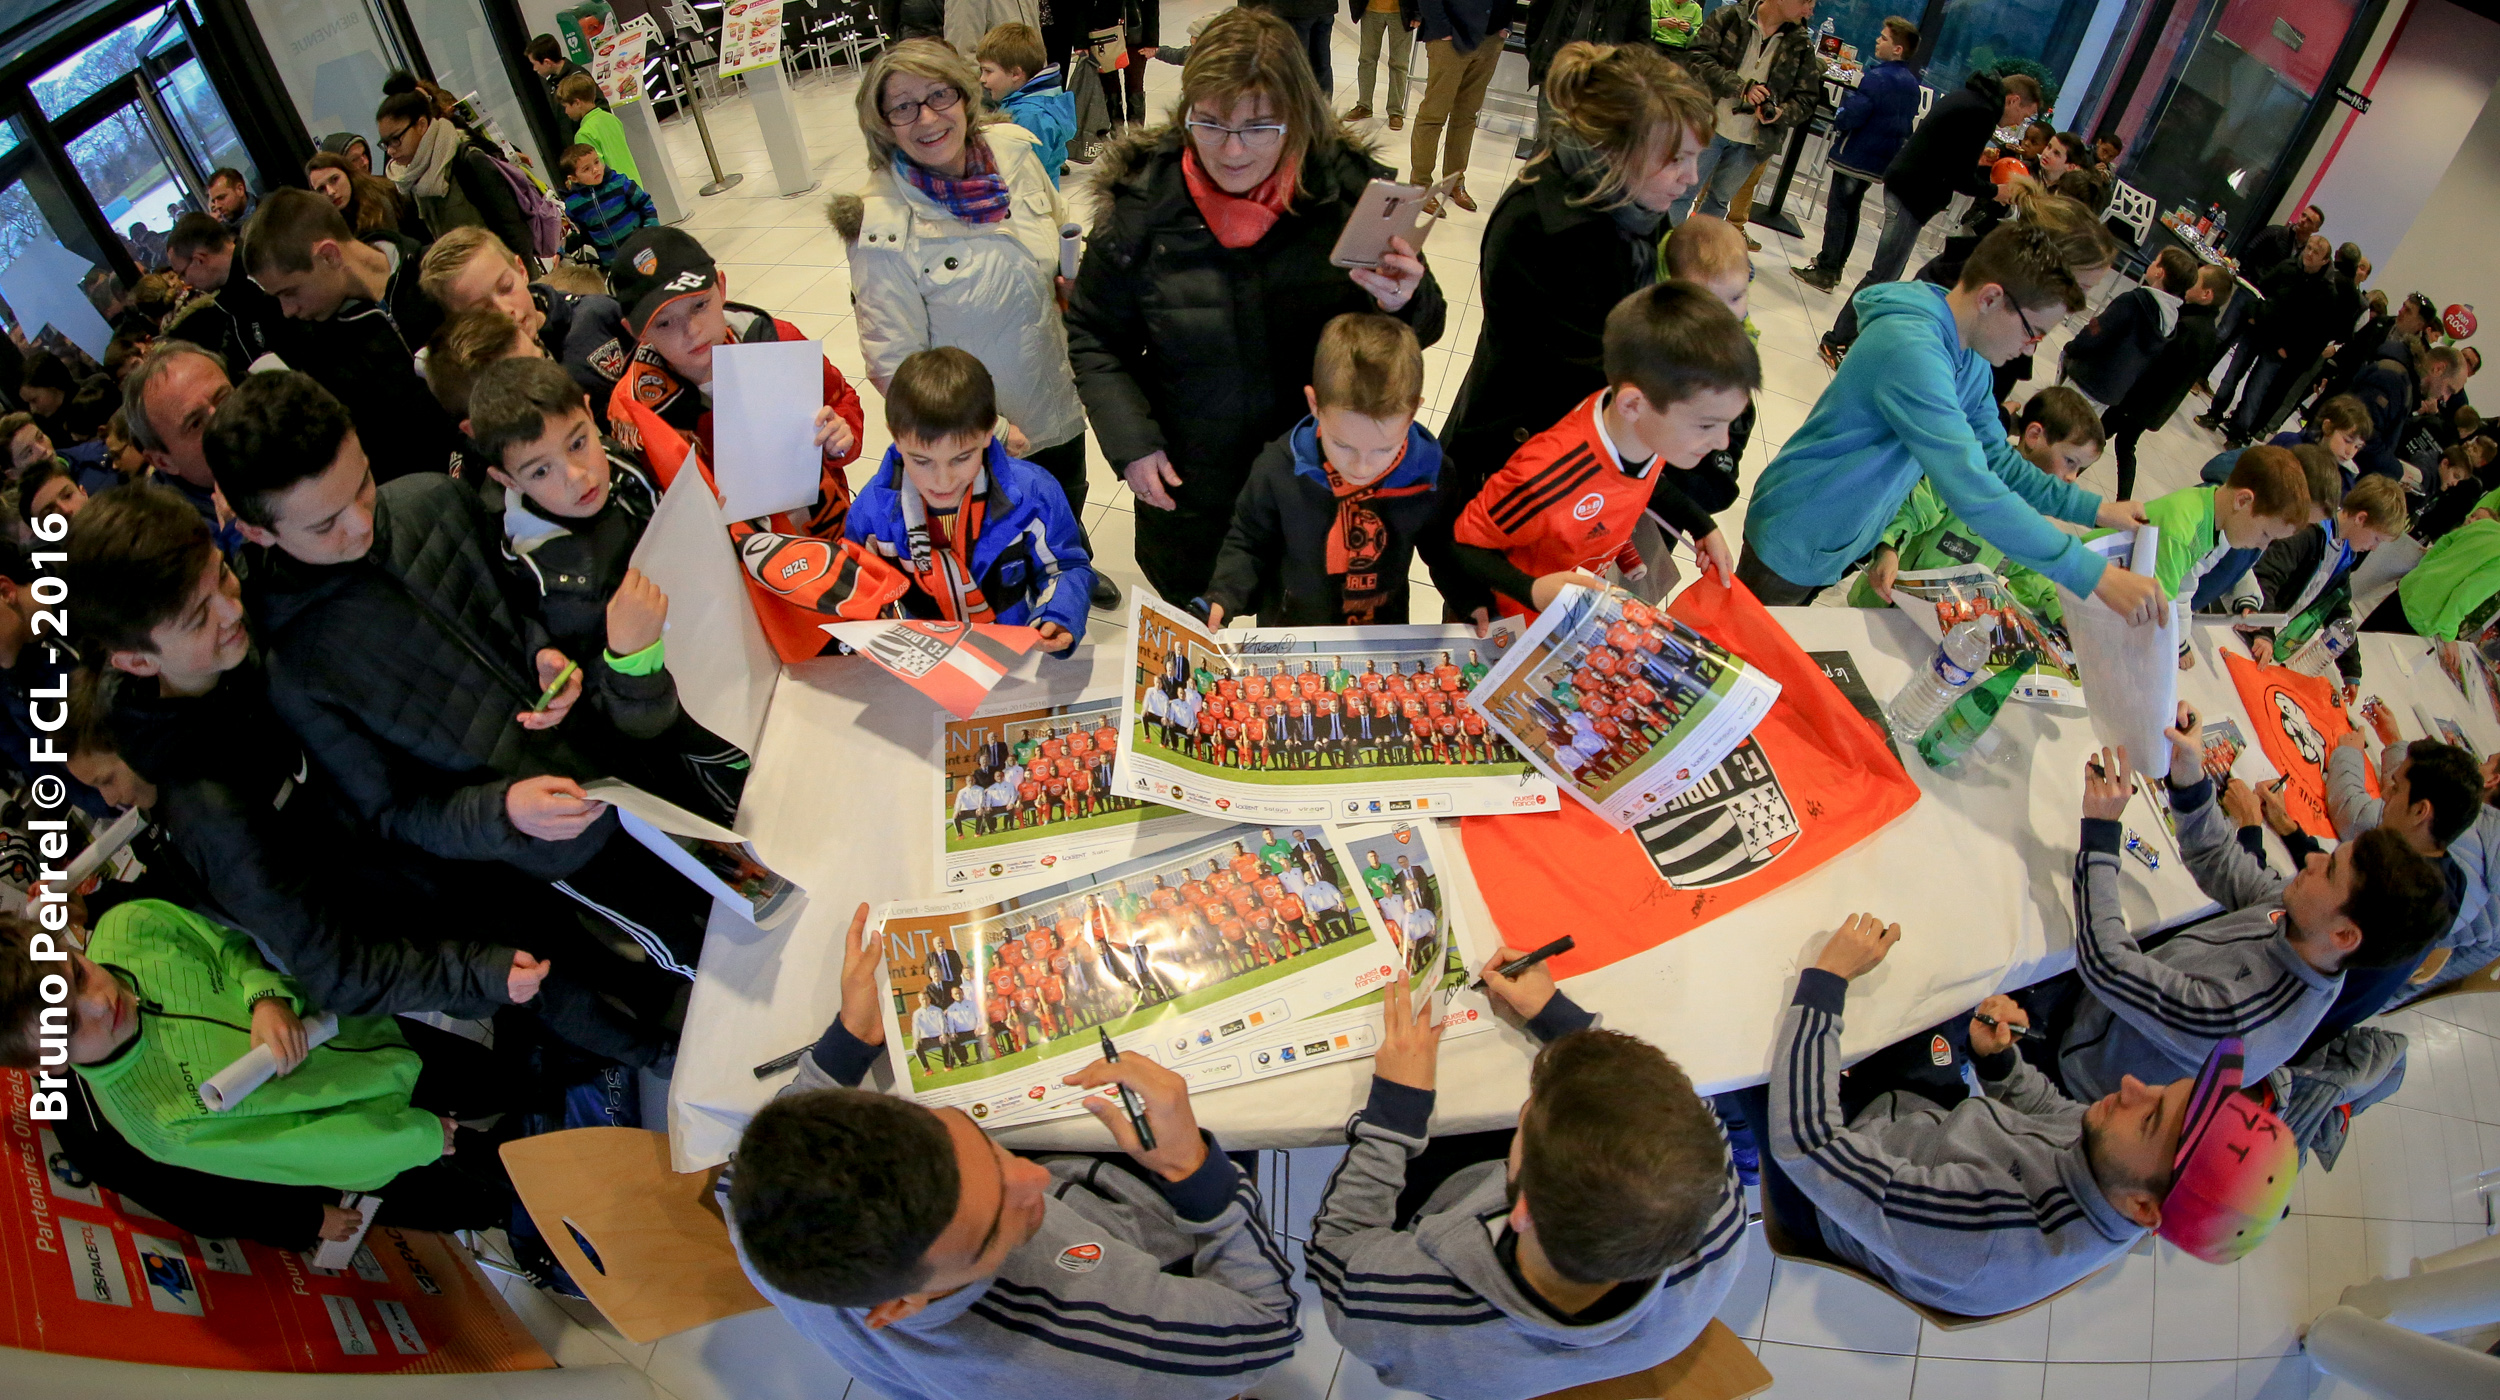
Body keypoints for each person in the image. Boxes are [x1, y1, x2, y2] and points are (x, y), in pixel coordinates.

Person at [208, 371, 712, 981]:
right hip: (561, 840)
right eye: (324, 525)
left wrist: (542, 655)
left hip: (626, 747)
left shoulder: (430, 500)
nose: (360, 524)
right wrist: (505, 811)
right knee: (697, 955)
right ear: (258, 530)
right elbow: (391, 811)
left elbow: (523, 601)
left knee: (744, 877)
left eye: (363, 485)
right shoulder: (293, 665)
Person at [723, 905, 1301, 1400]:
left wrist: (847, 1045)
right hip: (1138, 1305)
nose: (1031, 1176)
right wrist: (1191, 1171)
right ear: (900, 1307)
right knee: (1241, 1112)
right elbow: (1269, 1329)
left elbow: (737, 1176)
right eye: (996, 1221)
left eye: (987, 1151)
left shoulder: (758, 1221)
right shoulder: (1072, 1338)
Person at [1067, 6, 1444, 604]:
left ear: (1295, 116)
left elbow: (1419, 328)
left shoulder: (1343, 193)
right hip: (1192, 477)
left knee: (1299, 622)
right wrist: (1131, 442)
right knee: (1199, 631)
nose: (1233, 150)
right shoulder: (1142, 205)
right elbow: (1092, 334)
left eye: (1260, 127)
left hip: (1316, 477)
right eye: (1211, 123)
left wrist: (1407, 300)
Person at [1764, 910, 2298, 1315]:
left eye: (2151, 1118)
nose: (2134, 1087)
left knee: (1760, 1032)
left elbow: (1808, 1145)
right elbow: (2056, 1113)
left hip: (1827, 1184)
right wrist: (2001, 1065)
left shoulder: (1991, 1235)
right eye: (2163, 1092)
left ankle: (1739, 1149)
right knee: (1932, 982)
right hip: (1925, 1129)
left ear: (2143, 1206)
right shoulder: (2117, 1170)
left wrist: (1827, 979)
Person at [1314, 955, 1744, 1398]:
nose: (1524, 1108)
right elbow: (1677, 1104)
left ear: (1518, 1209)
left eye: (1527, 1113)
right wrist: (1561, 1021)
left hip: (1468, 1354)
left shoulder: (1397, 1310)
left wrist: (1397, 1108)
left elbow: (1337, 1250)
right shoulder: (1713, 1207)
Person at [0, 903, 514, 1224]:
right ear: (47, 1060)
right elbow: (302, 1148)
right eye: (67, 1024)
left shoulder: (130, 926)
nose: (98, 1003)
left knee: (500, 1082)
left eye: (76, 974)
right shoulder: (155, 1122)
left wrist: (263, 997)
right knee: (507, 1167)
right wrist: (415, 1137)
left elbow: (225, 940)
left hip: (376, 1030)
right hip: (376, 1117)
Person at [1743, 222, 2159, 615]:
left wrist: (2096, 510)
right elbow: (1971, 487)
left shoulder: (1968, 358)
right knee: (1734, 657)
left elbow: (1996, 457)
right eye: (2033, 332)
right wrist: (2092, 573)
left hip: (1843, 531)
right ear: (1991, 298)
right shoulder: (1913, 351)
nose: (2031, 351)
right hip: (1798, 529)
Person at [835, 40, 1115, 613]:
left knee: (1067, 491)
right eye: (904, 106)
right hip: (979, 427)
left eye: (939, 95)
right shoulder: (883, 222)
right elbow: (894, 361)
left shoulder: (1014, 152)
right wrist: (977, 429)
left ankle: (1069, 558)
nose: (929, 117)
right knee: (996, 525)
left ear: (966, 96)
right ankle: (1021, 586)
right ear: (882, 124)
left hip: (1054, 384)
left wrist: (1073, 283)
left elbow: (1058, 228)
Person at [2058, 724, 2444, 1098]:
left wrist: (2100, 832)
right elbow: (2219, 858)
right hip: (2097, 1013)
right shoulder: (2304, 924)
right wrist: (2190, 779)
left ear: (2344, 935)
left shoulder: (2236, 1024)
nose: (2309, 860)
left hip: (2072, 1069)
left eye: (2329, 871)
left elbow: (2105, 963)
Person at [1437, 44, 1713, 554]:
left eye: (1695, 158)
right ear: (1615, 147)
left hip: (1586, 467)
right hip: (1518, 466)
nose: (1691, 177)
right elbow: (1585, 377)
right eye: (1676, 160)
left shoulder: (1633, 204)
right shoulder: (1541, 224)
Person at [467, 354, 751, 821]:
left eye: (578, 443)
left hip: (731, 658)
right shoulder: (543, 578)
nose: (576, 476)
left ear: (588, 410)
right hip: (691, 738)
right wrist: (630, 656)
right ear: (503, 479)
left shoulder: (622, 466)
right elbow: (631, 727)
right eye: (540, 472)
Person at [602, 227, 869, 663]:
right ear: (636, 332)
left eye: (700, 306)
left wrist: (843, 437)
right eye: (664, 324)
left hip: (828, 538)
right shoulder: (634, 407)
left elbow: (841, 399)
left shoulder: (773, 336)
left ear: (721, 287)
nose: (690, 331)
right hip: (741, 579)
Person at [1456, 281, 1757, 618]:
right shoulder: (1544, 475)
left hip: (1571, 610)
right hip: (1515, 620)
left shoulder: (1645, 433)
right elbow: (1463, 545)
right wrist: (1530, 591)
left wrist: (1701, 525)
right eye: (1706, 425)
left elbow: (1644, 478)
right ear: (1633, 404)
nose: (1722, 443)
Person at [1199, 313, 1458, 627]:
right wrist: (1224, 595)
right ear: (1314, 403)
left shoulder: (1431, 473)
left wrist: (1466, 595)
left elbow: (1442, 543)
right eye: (1344, 445)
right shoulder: (1279, 468)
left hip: (1380, 623)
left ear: (1414, 410)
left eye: (1384, 449)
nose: (1362, 467)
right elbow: (1248, 540)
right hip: (1292, 623)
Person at [840, 348, 1093, 653]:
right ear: (895, 437)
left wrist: (1059, 615)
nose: (943, 481)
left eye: (962, 458)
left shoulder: (1033, 494)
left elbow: (1065, 566)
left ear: (989, 433)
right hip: (927, 655)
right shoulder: (871, 513)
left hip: (1015, 647)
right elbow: (858, 589)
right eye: (921, 461)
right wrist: (865, 630)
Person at [1816, 70, 2044, 364]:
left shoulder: (1972, 98)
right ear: (2013, 100)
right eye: (2025, 115)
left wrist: (1977, 161)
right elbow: (1958, 175)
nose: (2019, 124)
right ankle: (1836, 340)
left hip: (1908, 186)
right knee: (1883, 274)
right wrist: (1994, 191)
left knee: (1886, 273)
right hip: (1911, 193)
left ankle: (1850, 337)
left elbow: (1945, 153)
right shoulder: (1982, 112)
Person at [241, 188, 457, 482]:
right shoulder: (315, 349)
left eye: (290, 292)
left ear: (329, 256)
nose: (287, 310)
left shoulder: (441, 274)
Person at [2310, 711, 2490, 1044]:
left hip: (2292, 1014)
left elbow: (2299, 906)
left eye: (2394, 788)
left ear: (2421, 811)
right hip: (2324, 1018)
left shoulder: (2390, 884)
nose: (2386, 793)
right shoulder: (2448, 876)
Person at [1849, 385, 2104, 609]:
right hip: (1882, 602)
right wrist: (1888, 549)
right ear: (2034, 436)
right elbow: (1910, 509)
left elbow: (2030, 570)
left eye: (2079, 468)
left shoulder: (2029, 514)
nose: (2072, 477)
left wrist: (2058, 610)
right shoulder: (1970, 474)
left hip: (1936, 622)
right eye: (2070, 461)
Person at [416, 226, 630, 427]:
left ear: (521, 269)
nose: (504, 310)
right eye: (481, 310)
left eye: (506, 287)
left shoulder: (597, 314)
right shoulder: (479, 387)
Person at [1792, 16, 1919, 292]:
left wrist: (1840, 115)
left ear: (1898, 49)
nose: (1878, 40)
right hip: (1880, 160)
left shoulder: (1878, 77)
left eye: (1884, 38)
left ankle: (1826, 270)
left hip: (1856, 154)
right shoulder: (1911, 84)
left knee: (1838, 211)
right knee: (1851, 211)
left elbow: (1855, 113)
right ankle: (1835, 266)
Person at [1668, 0, 1821, 229]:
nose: (1809, 10)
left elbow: (1807, 98)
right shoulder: (1728, 17)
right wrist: (1741, 88)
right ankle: (1663, 254)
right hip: (1707, 124)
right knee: (1681, 192)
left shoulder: (1801, 44)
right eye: (1805, 1)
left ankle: (1696, 257)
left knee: (1719, 202)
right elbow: (1696, 59)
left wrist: (1781, 112)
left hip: (1753, 140)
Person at [2239, 471, 2405, 677]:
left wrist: (2351, 670)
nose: (2373, 548)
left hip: (2264, 633)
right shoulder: (2310, 532)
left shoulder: (2344, 553)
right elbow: (2265, 577)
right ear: (2361, 519)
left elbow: (2338, 608)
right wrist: (2263, 631)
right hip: (2245, 620)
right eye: (2376, 539)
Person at [2130, 445, 2311, 627]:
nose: (2263, 546)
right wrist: (2180, 644)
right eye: (2265, 534)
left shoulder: (2213, 519)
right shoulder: (2186, 531)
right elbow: (2161, 613)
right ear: (2242, 501)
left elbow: (2182, 593)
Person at [2101, 264, 2233, 498]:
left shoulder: (2190, 327)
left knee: (2101, 433)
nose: (2189, 280)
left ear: (2206, 294)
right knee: (2121, 443)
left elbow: (2158, 363)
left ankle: (2060, 477)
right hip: (2151, 405)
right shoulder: (2205, 329)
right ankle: (2121, 500)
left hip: (2140, 399)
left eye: (2196, 279)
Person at [2200, 235, 2346, 447]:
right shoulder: (2288, 267)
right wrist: (2252, 314)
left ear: (2325, 261)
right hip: (2257, 330)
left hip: (2279, 346)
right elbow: (2260, 290)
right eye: (2309, 248)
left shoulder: (2326, 292)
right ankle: (2214, 412)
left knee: (2256, 391)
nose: (2309, 254)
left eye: (2316, 252)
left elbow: (2316, 332)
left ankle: (2239, 433)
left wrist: (2290, 349)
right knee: (2231, 376)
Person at [376, 89, 536, 262]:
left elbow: (514, 230)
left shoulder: (466, 160)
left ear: (421, 125)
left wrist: (518, 279)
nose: (391, 150)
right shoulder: (406, 182)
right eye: (385, 144)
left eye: (396, 139)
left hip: (503, 274)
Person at [1407, 0, 1516, 207]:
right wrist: (1442, 29)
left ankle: (1455, 181)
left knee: (1467, 115)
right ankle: (1420, 185)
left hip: (1490, 38)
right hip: (1449, 37)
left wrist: (1506, 26)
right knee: (1434, 114)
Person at [2061, 246, 2199, 411]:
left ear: (2159, 273)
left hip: (2089, 377)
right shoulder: (2170, 319)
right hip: (2113, 391)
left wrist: (2072, 348)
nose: (2151, 263)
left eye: (2155, 261)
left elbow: (2097, 331)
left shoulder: (2133, 301)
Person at [159, 214, 293, 375]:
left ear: (198, 260)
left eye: (182, 274)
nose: (185, 283)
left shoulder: (263, 277)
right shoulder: (231, 298)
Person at [978, 23, 1079, 181]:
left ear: (1016, 74)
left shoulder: (1031, 117)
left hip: (1031, 203)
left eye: (988, 71)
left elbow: (1025, 176)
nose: (982, 79)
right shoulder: (1021, 105)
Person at [559, 142, 661, 265]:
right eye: (586, 169)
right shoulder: (574, 204)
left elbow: (646, 206)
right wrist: (560, 251)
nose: (595, 169)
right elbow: (581, 233)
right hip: (611, 262)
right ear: (574, 179)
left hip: (642, 250)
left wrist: (651, 234)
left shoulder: (620, 183)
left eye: (596, 162)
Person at [306, 150, 425, 242]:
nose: (331, 192)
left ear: (348, 174)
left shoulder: (379, 198)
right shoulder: (331, 225)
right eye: (321, 189)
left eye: (334, 179)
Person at [1343, 0, 1418, 127]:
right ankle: (1364, 105)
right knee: (1366, 60)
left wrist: (1417, 14)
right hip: (1370, 10)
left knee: (1399, 64)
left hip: (1401, 12)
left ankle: (1395, 112)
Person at [557, 73, 639, 184]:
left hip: (615, 191)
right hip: (633, 181)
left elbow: (593, 170)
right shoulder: (610, 118)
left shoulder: (584, 134)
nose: (566, 112)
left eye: (566, 106)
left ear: (577, 103)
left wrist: (573, 182)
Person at [528, 33, 599, 115]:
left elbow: (600, 108)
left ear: (547, 62)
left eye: (534, 64)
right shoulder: (552, 83)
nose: (534, 68)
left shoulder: (579, 78)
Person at [206, 167, 254, 232]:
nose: (217, 206)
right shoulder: (226, 235)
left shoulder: (269, 211)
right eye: (214, 201)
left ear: (240, 190)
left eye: (221, 197)